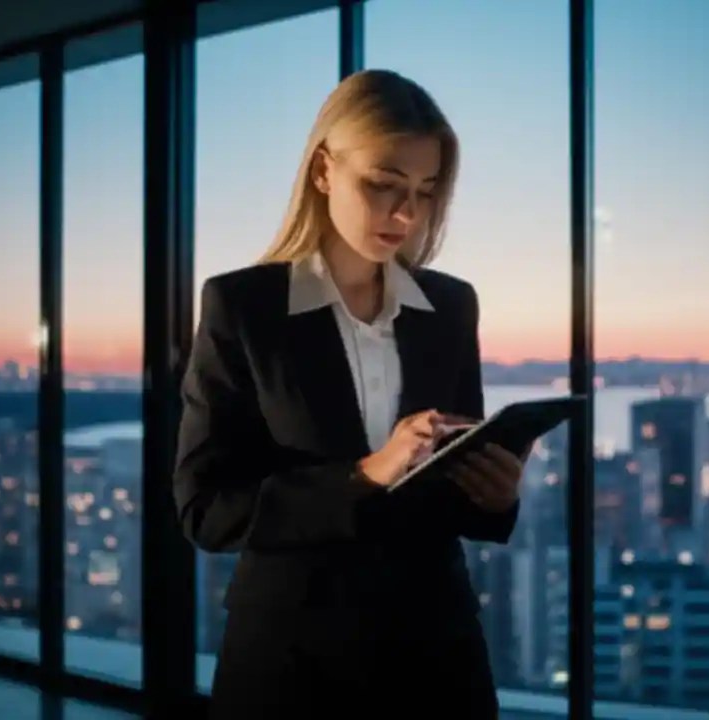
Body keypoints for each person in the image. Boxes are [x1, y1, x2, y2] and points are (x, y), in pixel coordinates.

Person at [173, 68, 528, 720]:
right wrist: (366, 474)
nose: (406, 213)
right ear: (322, 171)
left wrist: (495, 497)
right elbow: (206, 509)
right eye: (384, 185)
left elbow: (453, 490)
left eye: (424, 192)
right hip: (290, 658)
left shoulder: (450, 306)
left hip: (436, 651)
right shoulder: (243, 307)